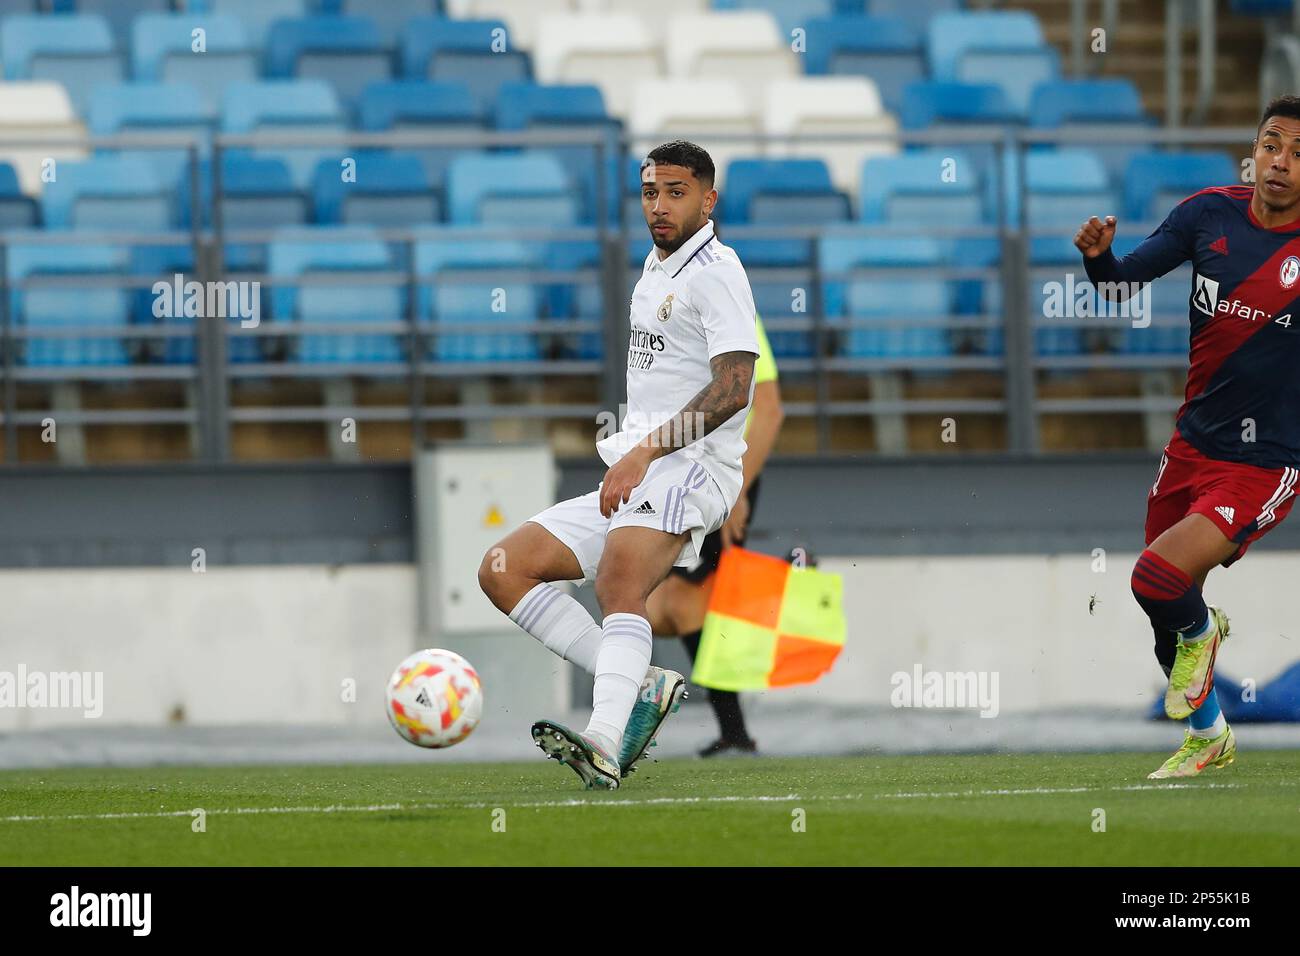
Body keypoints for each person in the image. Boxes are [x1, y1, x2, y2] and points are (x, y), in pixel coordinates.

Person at [477, 140, 760, 790]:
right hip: (641, 466)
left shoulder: (716, 271)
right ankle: (637, 679)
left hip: (691, 469)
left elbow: (735, 387)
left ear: (708, 199)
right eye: (650, 192)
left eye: (676, 192)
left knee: (620, 584)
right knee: (503, 570)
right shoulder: (655, 268)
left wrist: (644, 451)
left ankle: (604, 743)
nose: (659, 206)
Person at [1075, 94, 1300, 779]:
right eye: (1272, 144)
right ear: (1253, 148)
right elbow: (1124, 283)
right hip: (1191, 445)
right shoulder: (1209, 214)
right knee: (1162, 623)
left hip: (1266, 462)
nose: (1282, 163)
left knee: (1159, 577)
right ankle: (1210, 737)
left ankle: (1207, 630)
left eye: (1299, 154)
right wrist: (1099, 260)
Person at [645, 311, 784, 757]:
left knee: (682, 603)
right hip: (681, 472)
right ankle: (734, 731)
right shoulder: (666, 305)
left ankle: (734, 733)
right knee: (657, 606)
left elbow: (771, 409)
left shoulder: (732, 308)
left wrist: (738, 486)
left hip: (720, 476)